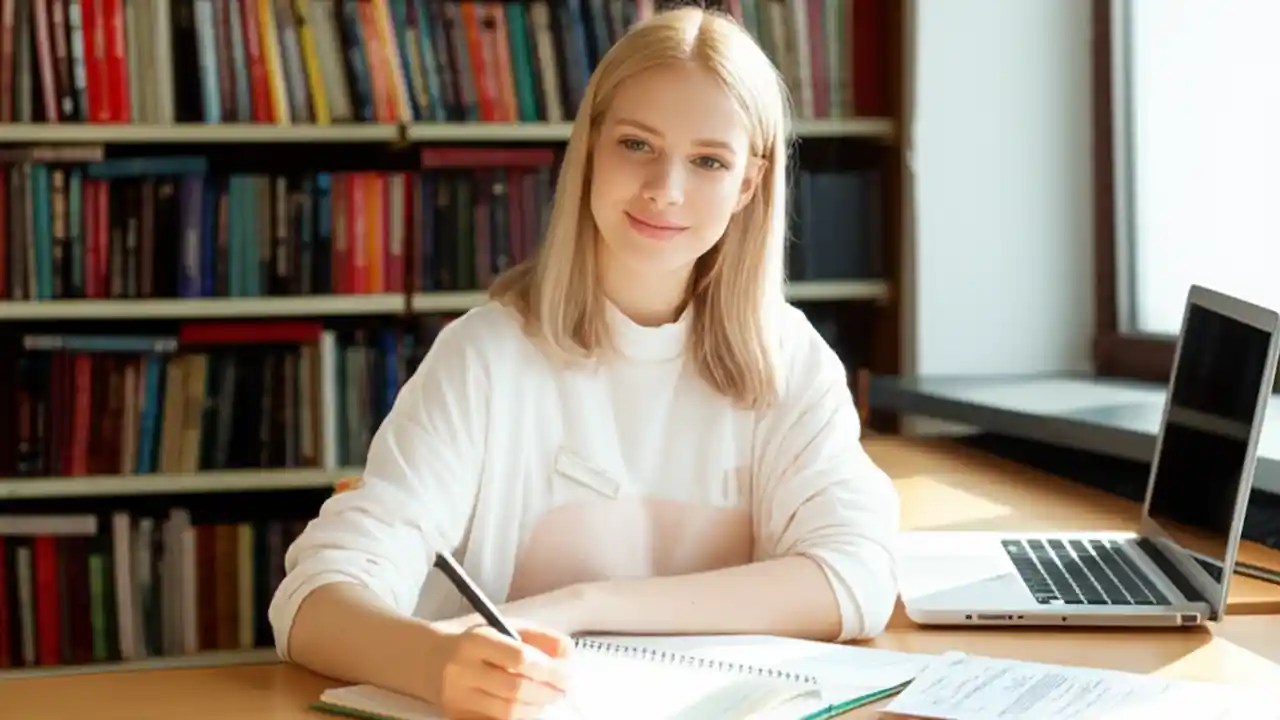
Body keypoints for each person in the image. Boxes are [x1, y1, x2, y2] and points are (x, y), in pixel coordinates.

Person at [269, 6, 899, 720]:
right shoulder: (486, 357)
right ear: (591, 148)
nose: (665, 188)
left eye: (708, 161)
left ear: (748, 185)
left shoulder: (789, 357)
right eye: (636, 144)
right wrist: (432, 662)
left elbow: (858, 577)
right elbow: (311, 601)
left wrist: (582, 605)